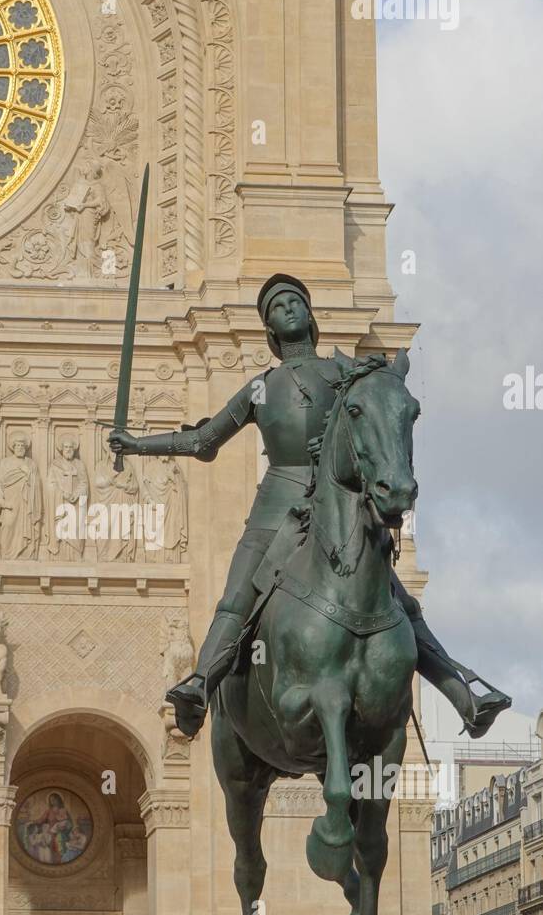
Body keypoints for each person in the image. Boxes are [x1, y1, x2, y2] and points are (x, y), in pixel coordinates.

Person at [110, 273, 511, 742]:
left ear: (310, 315)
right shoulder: (260, 388)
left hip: (338, 506)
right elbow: (204, 440)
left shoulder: (342, 374)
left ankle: (464, 694)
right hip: (275, 506)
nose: (289, 309)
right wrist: (139, 444)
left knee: (401, 603)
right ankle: (201, 684)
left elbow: (377, 408)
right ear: (271, 330)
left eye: (296, 301)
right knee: (238, 594)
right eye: (278, 307)